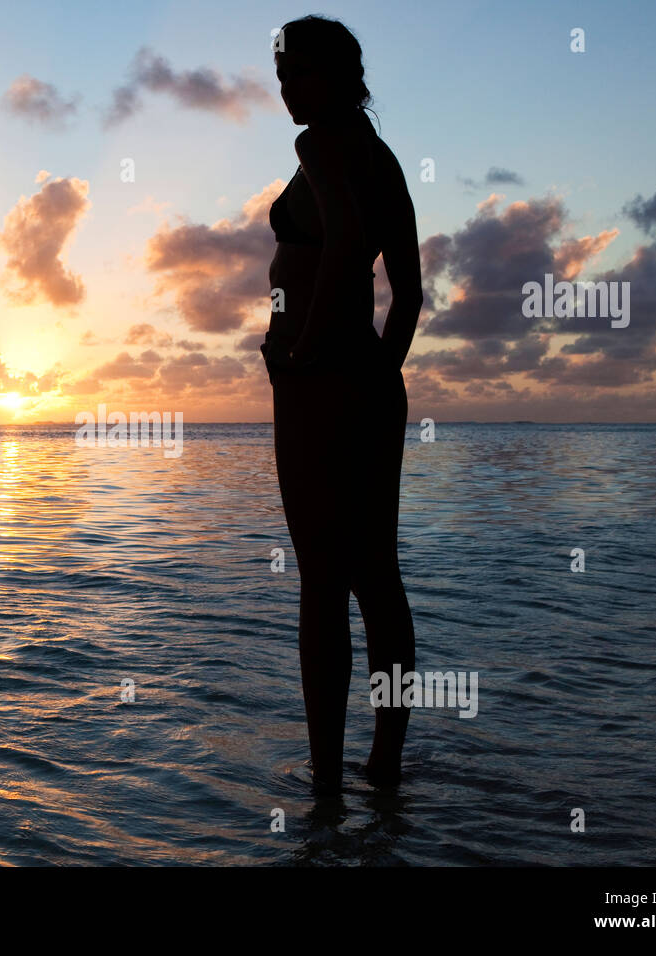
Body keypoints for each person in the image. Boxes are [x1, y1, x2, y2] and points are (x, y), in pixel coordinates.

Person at [262, 15, 423, 793]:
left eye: (299, 73)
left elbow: (349, 243)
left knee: (322, 583)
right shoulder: (383, 156)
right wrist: (373, 379)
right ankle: (383, 767)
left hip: (318, 385)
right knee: (377, 580)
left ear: (337, 74)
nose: (287, 89)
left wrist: (303, 358)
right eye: (281, 75)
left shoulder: (320, 144)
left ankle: (324, 783)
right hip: (367, 384)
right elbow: (410, 294)